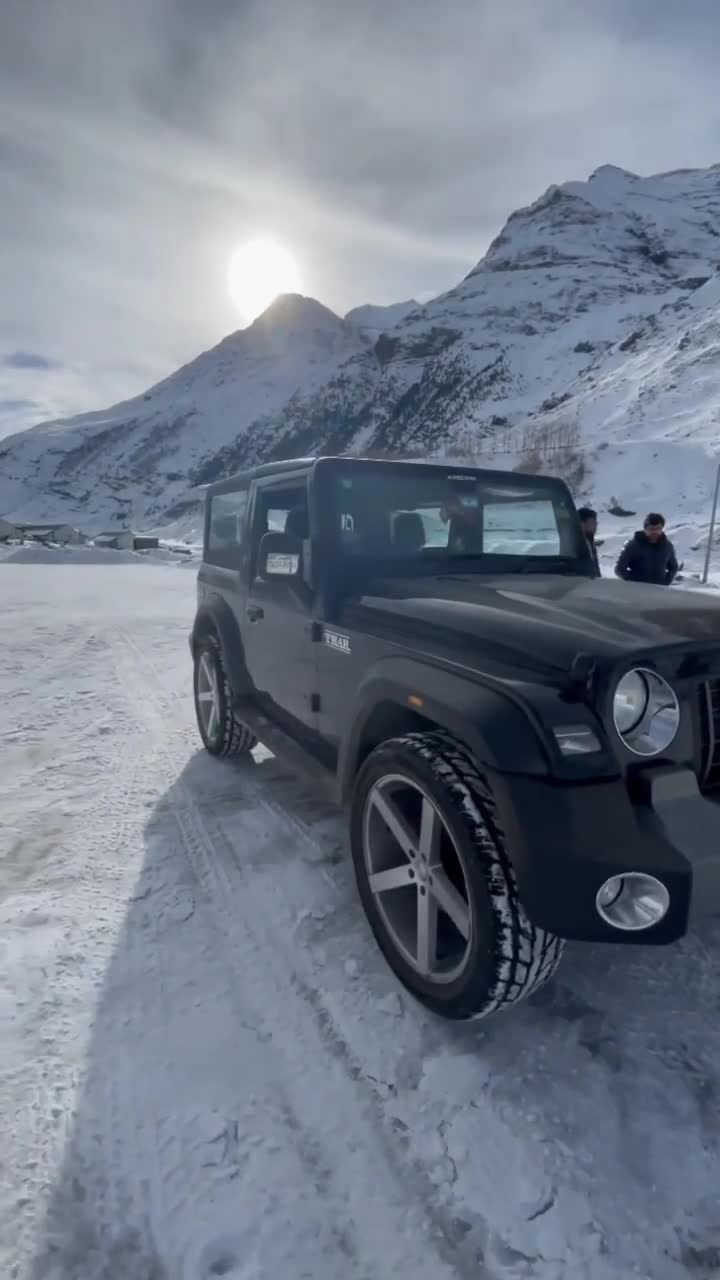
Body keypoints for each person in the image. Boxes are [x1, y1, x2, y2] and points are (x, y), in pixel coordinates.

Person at [614, 513, 678, 586]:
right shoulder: (633, 545)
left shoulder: (667, 546)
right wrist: (633, 581)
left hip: (659, 591)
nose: (655, 532)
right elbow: (619, 569)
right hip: (636, 591)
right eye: (651, 529)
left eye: (658, 528)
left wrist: (666, 582)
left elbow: (673, 567)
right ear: (645, 529)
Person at [577, 506, 600, 578]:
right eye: (592, 522)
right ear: (582, 524)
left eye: (596, 523)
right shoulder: (576, 544)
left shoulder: (590, 542)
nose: (595, 526)